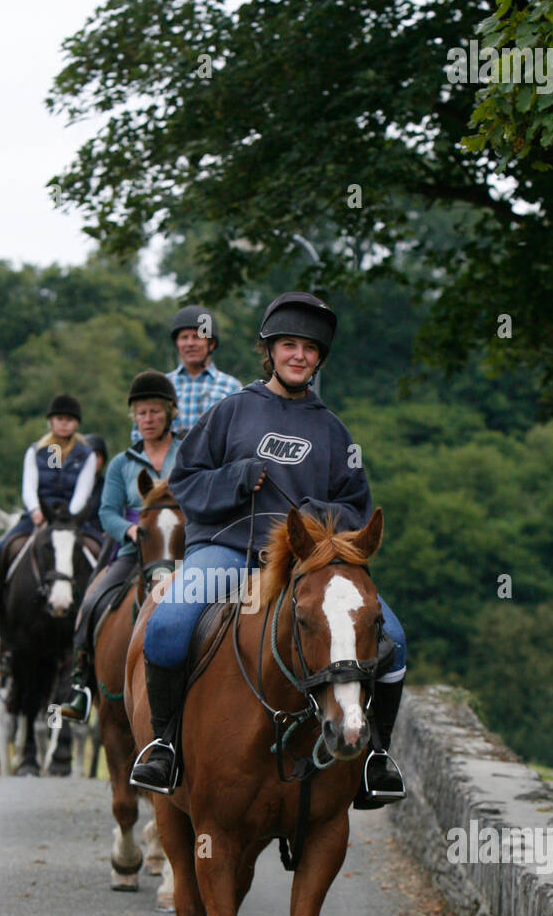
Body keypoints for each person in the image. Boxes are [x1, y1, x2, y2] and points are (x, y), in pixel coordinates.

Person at [130, 291, 407, 807]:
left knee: (395, 641)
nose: (299, 355)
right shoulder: (230, 412)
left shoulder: (333, 430)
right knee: (167, 628)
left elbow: (355, 503)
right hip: (228, 550)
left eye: (309, 349)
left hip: (308, 563)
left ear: (319, 359)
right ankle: (164, 745)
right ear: (270, 351)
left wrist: (313, 519)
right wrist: (235, 478)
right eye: (289, 345)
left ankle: (375, 757)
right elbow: (185, 481)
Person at [60, 371, 183, 722]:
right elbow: (106, 512)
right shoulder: (122, 464)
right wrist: (131, 532)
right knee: (93, 598)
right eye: (141, 413)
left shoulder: (188, 456)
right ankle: (81, 685)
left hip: (182, 552)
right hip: (136, 551)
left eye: (155, 412)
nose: (147, 419)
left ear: (170, 414)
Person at [0, 394, 97, 618]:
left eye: (69, 419)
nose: (64, 423)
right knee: (2, 547)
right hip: (41, 513)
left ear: (77, 423)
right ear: (51, 421)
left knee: (100, 550)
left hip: (73, 517)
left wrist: (69, 518)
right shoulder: (37, 451)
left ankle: (101, 605)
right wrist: (34, 510)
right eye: (59, 418)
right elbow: (29, 486)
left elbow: (84, 489)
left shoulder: (86, 454)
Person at [130, 306, 241, 443]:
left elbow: (239, 434)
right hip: (167, 463)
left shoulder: (231, 387)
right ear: (177, 344)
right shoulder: (162, 385)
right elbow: (139, 434)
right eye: (184, 337)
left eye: (197, 337)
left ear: (211, 344)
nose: (190, 343)